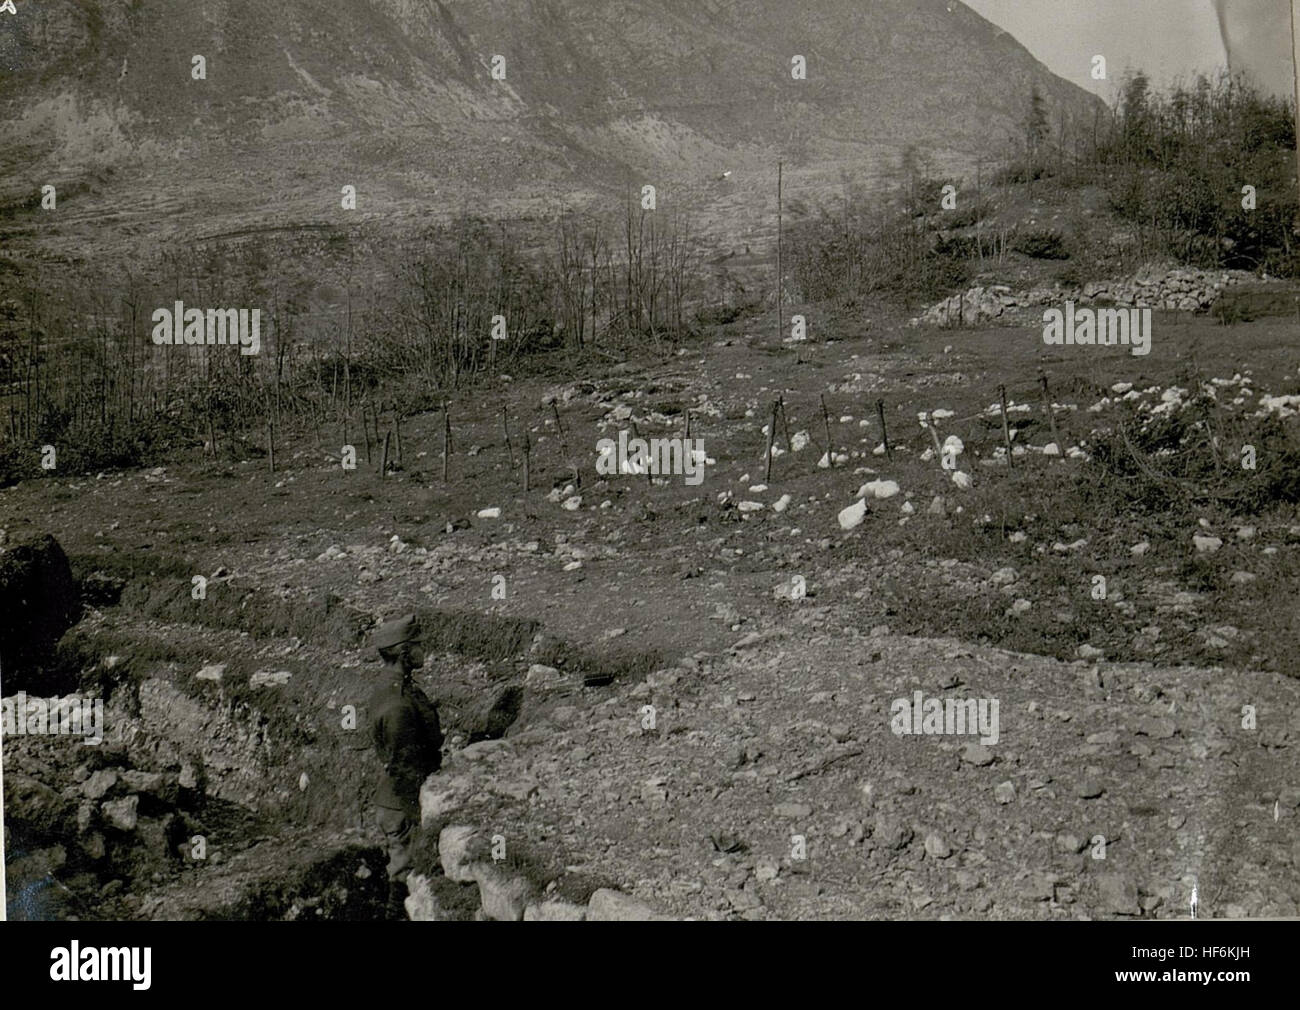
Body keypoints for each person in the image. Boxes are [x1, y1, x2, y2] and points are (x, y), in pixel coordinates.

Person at [367, 613, 443, 917]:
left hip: (399, 798)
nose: (423, 650)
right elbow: (403, 766)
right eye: (418, 645)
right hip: (404, 803)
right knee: (403, 883)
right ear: (403, 651)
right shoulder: (397, 702)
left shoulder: (396, 686)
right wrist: (420, 816)